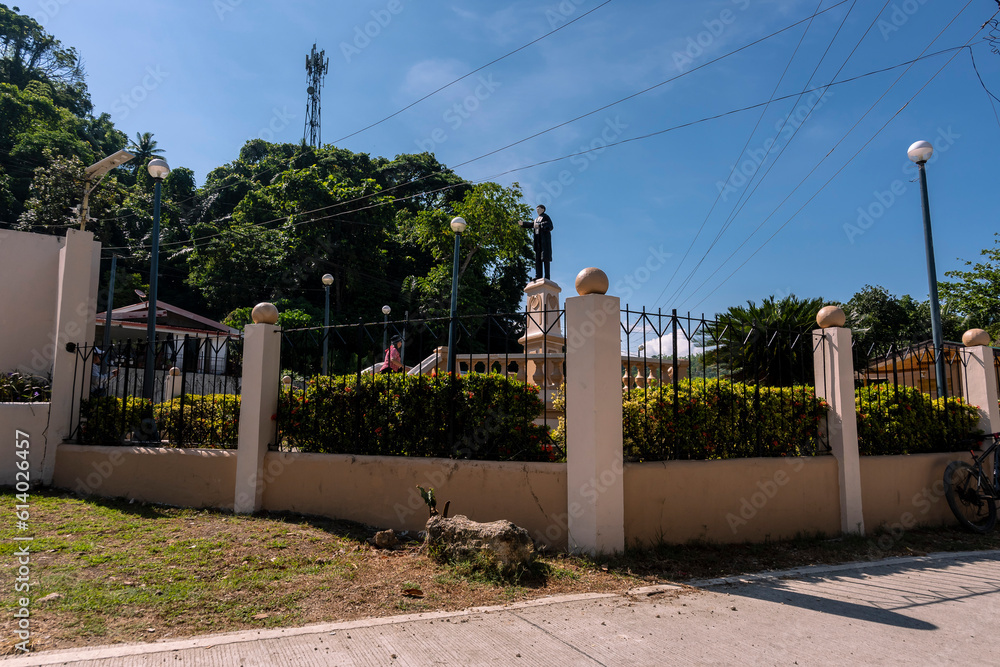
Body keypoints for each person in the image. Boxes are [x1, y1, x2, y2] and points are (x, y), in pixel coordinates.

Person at [518, 205, 553, 281]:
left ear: (543, 209)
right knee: (537, 259)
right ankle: (538, 275)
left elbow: (550, 226)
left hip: (544, 241)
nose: (537, 211)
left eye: (539, 209)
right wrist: (523, 224)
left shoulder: (546, 217)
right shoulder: (536, 219)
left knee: (545, 258)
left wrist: (540, 225)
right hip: (537, 241)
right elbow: (531, 224)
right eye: (536, 209)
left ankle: (547, 276)